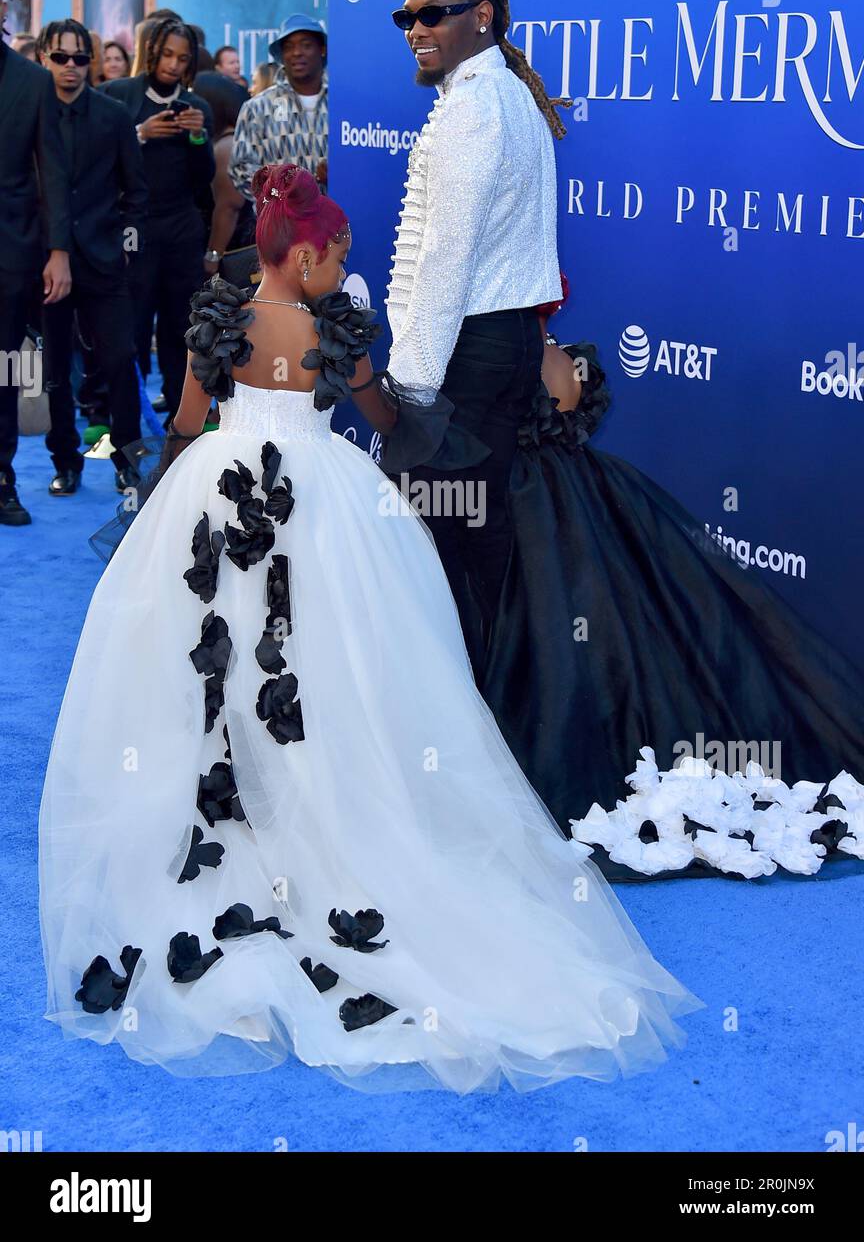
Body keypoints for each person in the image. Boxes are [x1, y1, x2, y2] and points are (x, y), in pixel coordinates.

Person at [38, 162, 701, 1090]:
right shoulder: (336, 332)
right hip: (326, 508)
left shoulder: (218, 323)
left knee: (215, 672)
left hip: (214, 508)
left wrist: (188, 469)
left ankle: (235, 824)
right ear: (304, 253)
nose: (349, 265)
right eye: (341, 252)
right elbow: (384, 416)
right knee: (333, 670)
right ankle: (321, 821)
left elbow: (187, 423)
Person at [478, 311, 864, 882]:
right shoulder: (566, 359)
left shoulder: (511, 365)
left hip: (532, 510)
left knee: (557, 641)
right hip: (588, 494)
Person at [383, 0, 565, 673]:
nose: (416, 29)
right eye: (407, 17)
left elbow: (446, 259)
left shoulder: (475, 107)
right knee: (475, 536)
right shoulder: (505, 94)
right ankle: (486, 708)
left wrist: (411, 388)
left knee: (442, 544)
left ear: (481, 15)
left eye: (434, 14)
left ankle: (466, 714)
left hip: (465, 351)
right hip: (497, 342)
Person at [35, 18, 146, 494]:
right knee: (55, 367)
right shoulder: (28, 116)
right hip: (45, 262)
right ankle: (66, 460)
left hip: (105, 258)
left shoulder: (112, 115)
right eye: (60, 57)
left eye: (80, 58)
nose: (71, 67)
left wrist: (126, 245)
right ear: (43, 57)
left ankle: (127, 456)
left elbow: (137, 192)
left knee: (121, 358)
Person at [103, 17, 215, 419]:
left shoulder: (197, 107)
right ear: (151, 52)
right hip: (134, 227)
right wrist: (140, 133)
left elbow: (204, 180)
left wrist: (199, 138)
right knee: (129, 328)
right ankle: (123, 426)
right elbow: (99, 158)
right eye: (167, 54)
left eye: (182, 58)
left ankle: (180, 423)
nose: (173, 64)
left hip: (182, 230)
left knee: (179, 328)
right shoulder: (119, 94)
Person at [0, 0, 72, 528]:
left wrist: (57, 251)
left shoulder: (31, 82)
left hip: (12, 248)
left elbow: (52, 171)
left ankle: (2, 476)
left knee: (5, 366)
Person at [229, 14, 328, 200]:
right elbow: (240, 169)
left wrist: (338, 174)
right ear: (282, 55)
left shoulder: (343, 105)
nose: (297, 52)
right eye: (289, 47)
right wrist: (280, 193)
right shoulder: (257, 107)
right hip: (279, 226)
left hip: (333, 224)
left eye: (306, 45)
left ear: (322, 49)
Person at [193, 70, 256, 274]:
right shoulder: (231, 139)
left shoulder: (227, 146)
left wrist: (213, 255)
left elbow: (229, 207)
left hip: (232, 250)